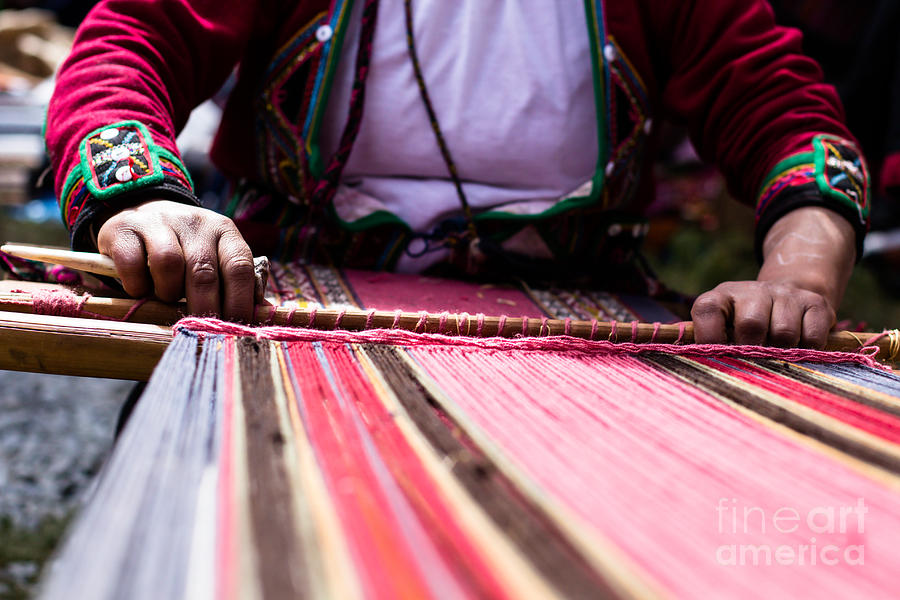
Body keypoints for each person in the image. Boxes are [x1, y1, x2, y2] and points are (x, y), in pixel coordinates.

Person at [45, 0, 868, 348]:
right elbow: (134, 38)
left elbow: (786, 118)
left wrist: (798, 273)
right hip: (288, 298)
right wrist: (141, 195)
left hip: (580, 322)